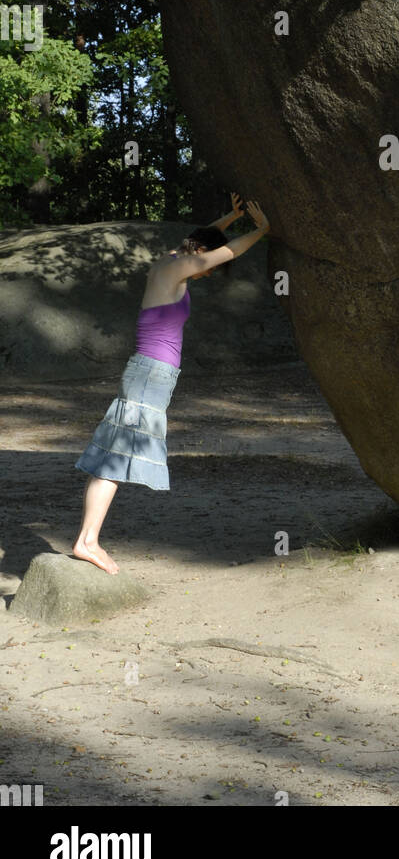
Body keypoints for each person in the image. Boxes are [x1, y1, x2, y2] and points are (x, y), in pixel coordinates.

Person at [72, 194, 270, 575]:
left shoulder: (170, 260)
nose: (206, 274)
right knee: (115, 461)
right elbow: (225, 252)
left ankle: (87, 539)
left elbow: (205, 239)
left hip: (150, 375)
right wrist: (262, 229)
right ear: (199, 254)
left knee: (114, 457)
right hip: (149, 376)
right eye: (205, 267)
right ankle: (87, 541)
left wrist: (231, 214)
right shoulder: (178, 268)